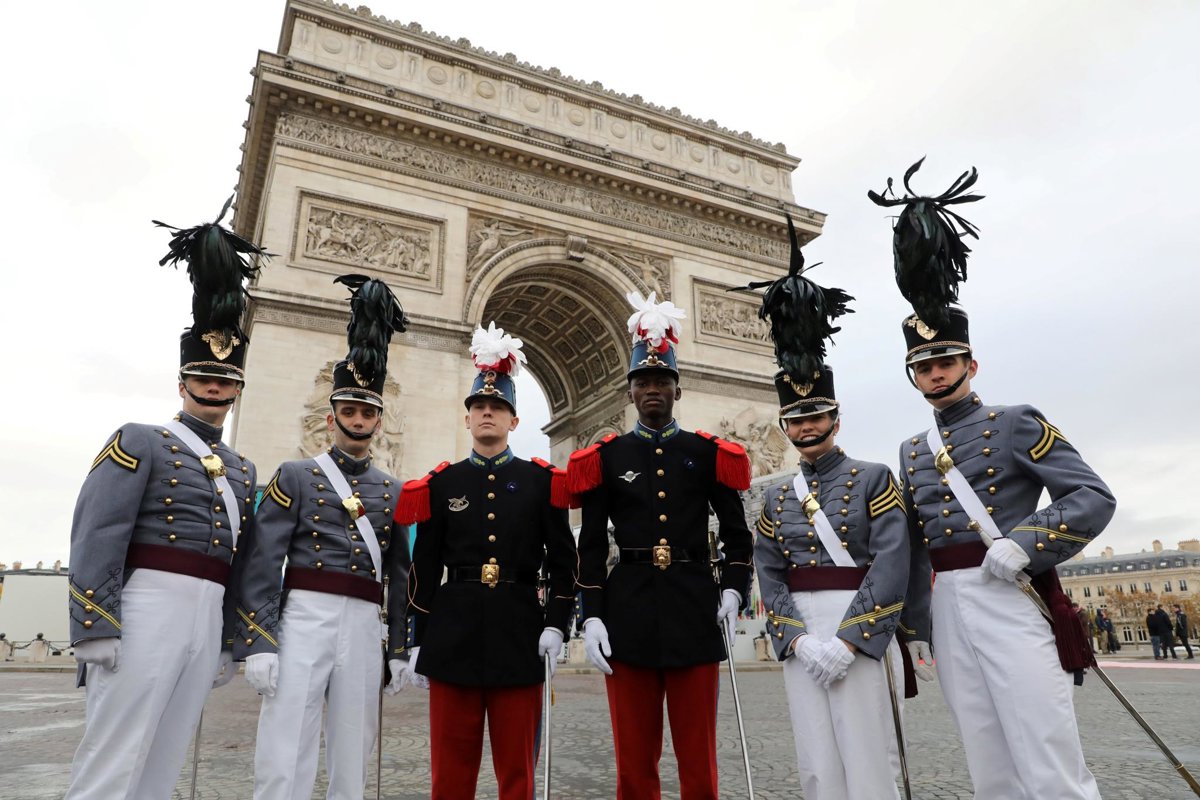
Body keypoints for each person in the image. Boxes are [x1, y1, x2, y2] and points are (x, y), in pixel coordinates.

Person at [871, 161, 1117, 800]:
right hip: (950, 606)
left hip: (1009, 590)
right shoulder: (912, 447)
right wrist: (918, 625)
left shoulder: (1014, 422)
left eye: (945, 360)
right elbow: (917, 542)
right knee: (986, 756)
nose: (935, 374)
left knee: (1047, 749)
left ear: (971, 362)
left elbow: (1092, 495)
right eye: (921, 366)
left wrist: (1028, 542)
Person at [65, 197, 267, 799]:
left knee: (166, 755)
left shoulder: (243, 468)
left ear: (237, 390)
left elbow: (243, 561)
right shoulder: (139, 440)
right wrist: (94, 621)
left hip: (206, 613)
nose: (215, 385)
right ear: (182, 382)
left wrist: (236, 635)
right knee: (115, 754)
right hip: (147, 602)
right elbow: (97, 532)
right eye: (205, 376)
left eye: (226, 379)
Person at [746, 222, 910, 800]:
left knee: (869, 757)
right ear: (785, 427)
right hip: (803, 632)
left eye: (817, 416)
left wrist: (851, 639)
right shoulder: (775, 497)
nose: (807, 427)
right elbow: (768, 569)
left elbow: (892, 562)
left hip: (856, 623)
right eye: (797, 419)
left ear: (835, 420)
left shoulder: (874, 478)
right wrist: (793, 637)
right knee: (815, 759)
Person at [569, 292, 754, 800]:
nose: (652, 390)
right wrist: (592, 614)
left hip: (695, 605)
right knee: (634, 758)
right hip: (626, 609)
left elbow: (738, 535)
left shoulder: (706, 453)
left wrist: (734, 590)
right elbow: (589, 546)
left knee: (699, 757)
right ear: (629, 393)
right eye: (642, 383)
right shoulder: (604, 458)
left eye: (661, 382)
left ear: (678, 389)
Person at [234, 275, 411, 800]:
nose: (358, 420)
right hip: (304, 613)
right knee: (287, 741)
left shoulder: (394, 489)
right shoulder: (294, 475)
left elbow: (400, 572)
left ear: (380, 419)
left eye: (368, 412)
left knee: (356, 744)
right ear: (331, 414)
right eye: (349, 411)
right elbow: (264, 562)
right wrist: (260, 640)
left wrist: (398, 646)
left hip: (362, 621)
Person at [395, 322, 577, 800]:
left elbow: (563, 561)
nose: (488, 414)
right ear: (468, 418)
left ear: (514, 421)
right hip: (452, 636)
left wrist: (557, 624)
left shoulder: (543, 483)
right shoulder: (440, 484)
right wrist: (418, 638)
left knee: (517, 772)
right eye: (480, 407)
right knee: (450, 775)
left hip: (520, 634)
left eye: (498, 408)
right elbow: (424, 568)